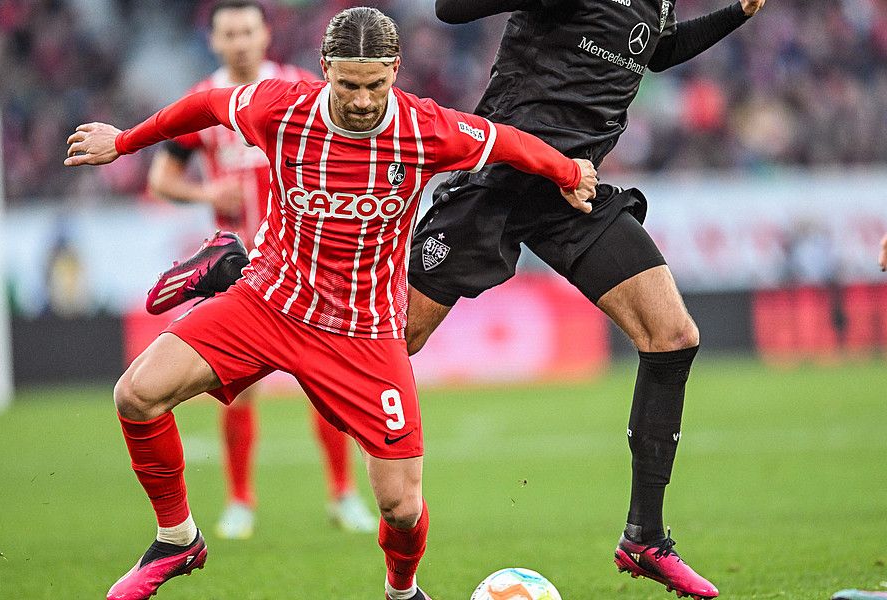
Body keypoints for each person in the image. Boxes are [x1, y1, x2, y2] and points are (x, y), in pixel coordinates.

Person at [150, 2, 765, 598]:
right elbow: (451, 10)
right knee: (382, 339)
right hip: (494, 185)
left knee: (673, 337)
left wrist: (736, 13)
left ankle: (645, 539)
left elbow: (656, 50)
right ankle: (238, 274)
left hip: (571, 190)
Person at [64, 7, 598, 600]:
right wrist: (125, 140)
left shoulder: (425, 128)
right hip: (270, 301)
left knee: (400, 506)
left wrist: (567, 169)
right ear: (326, 70)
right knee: (136, 395)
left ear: (395, 70)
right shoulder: (282, 108)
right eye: (349, 85)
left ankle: (401, 592)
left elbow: (503, 141)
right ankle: (177, 538)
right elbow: (204, 107)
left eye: (376, 84)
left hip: (364, 332)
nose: (364, 100)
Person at [144, 0, 376, 539]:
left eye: (249, 30)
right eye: (230, 33)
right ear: (215, 41)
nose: (241, 41)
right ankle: (241, 501)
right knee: (237, 387)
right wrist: (205, 190)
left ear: (265, 33)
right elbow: (161, 179)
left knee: (323, 381)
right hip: (240, 270)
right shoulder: (207, 104)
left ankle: (343, 495)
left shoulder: (300, 88)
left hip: (305, 262)